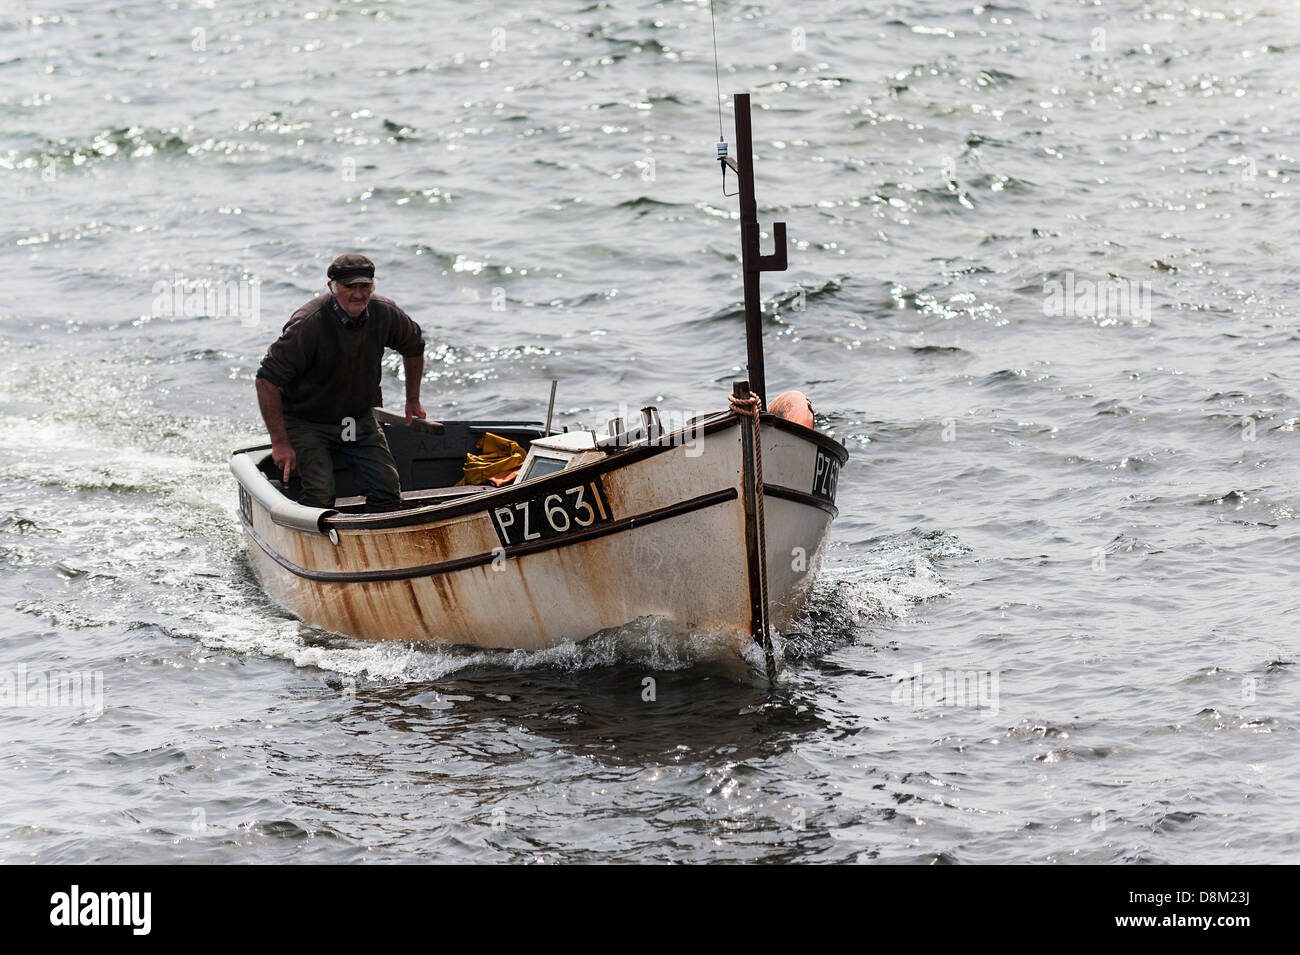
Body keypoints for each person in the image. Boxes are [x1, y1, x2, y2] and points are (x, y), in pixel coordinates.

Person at [255, 253, 426, 511]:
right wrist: (279, 442)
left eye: (364, 287)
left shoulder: (385, 313)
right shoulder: (308, 325)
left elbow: (414, 347)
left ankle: (375, 539)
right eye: (349, 287)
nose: (358, 295)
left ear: (373, 286)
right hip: (307, 420)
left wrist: (412, 400)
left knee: (387, 491)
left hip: (355, 418)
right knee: (320, 494)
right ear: (332, 288)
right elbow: (266, 381)